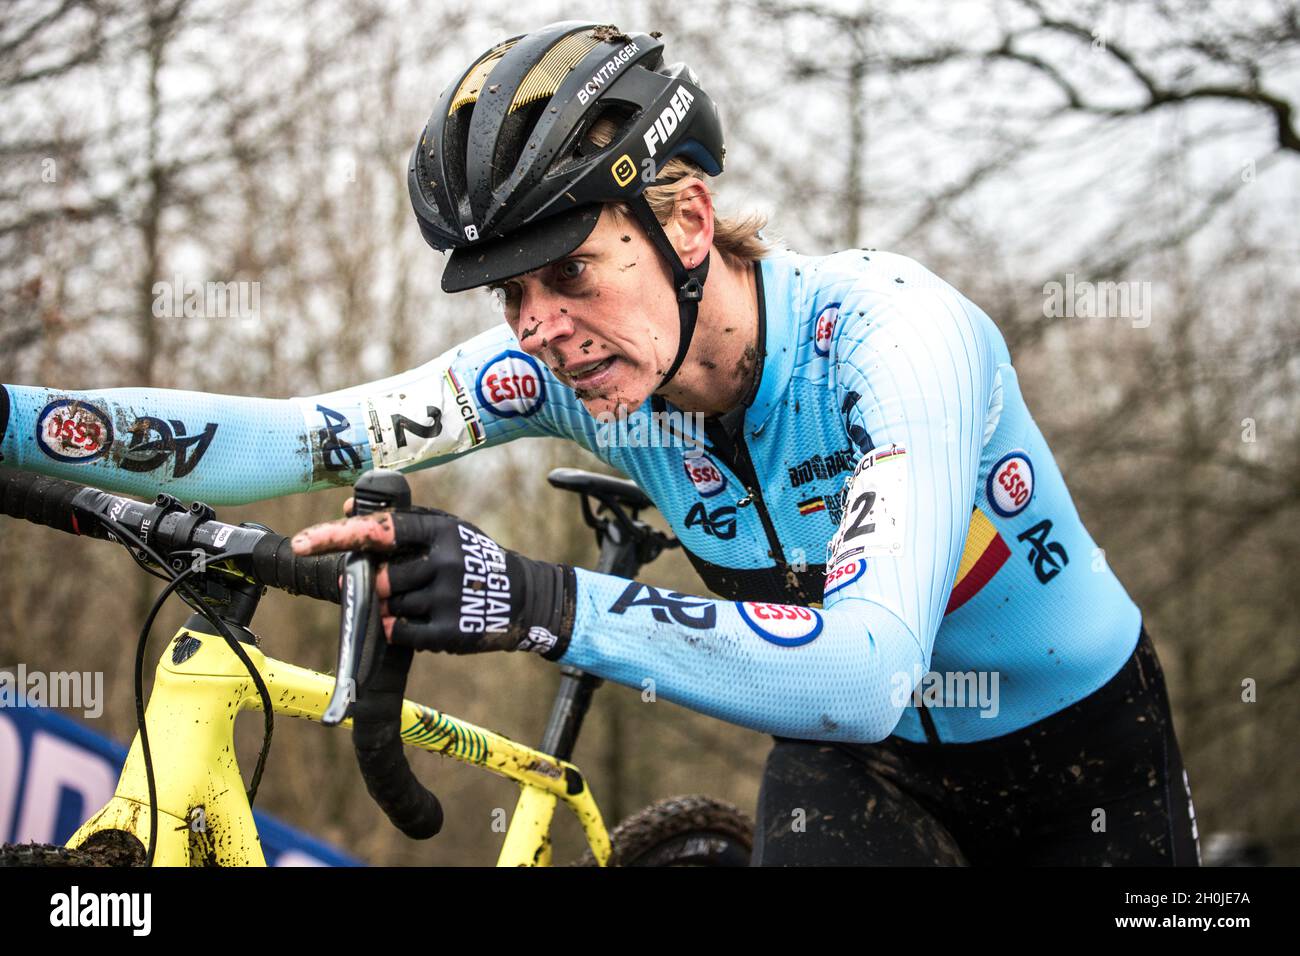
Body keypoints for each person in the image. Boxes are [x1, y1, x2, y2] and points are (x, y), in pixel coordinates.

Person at [0, 21, 1198, 865]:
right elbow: (311, 433)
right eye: (509, 296)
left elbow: (864, 668)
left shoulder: (891, 337)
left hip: (1081, 763)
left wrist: (533, 596)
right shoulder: (572, 375)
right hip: (864, 771)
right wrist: (12, 417)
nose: (541, 330)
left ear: (684, 219)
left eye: (567, 270)